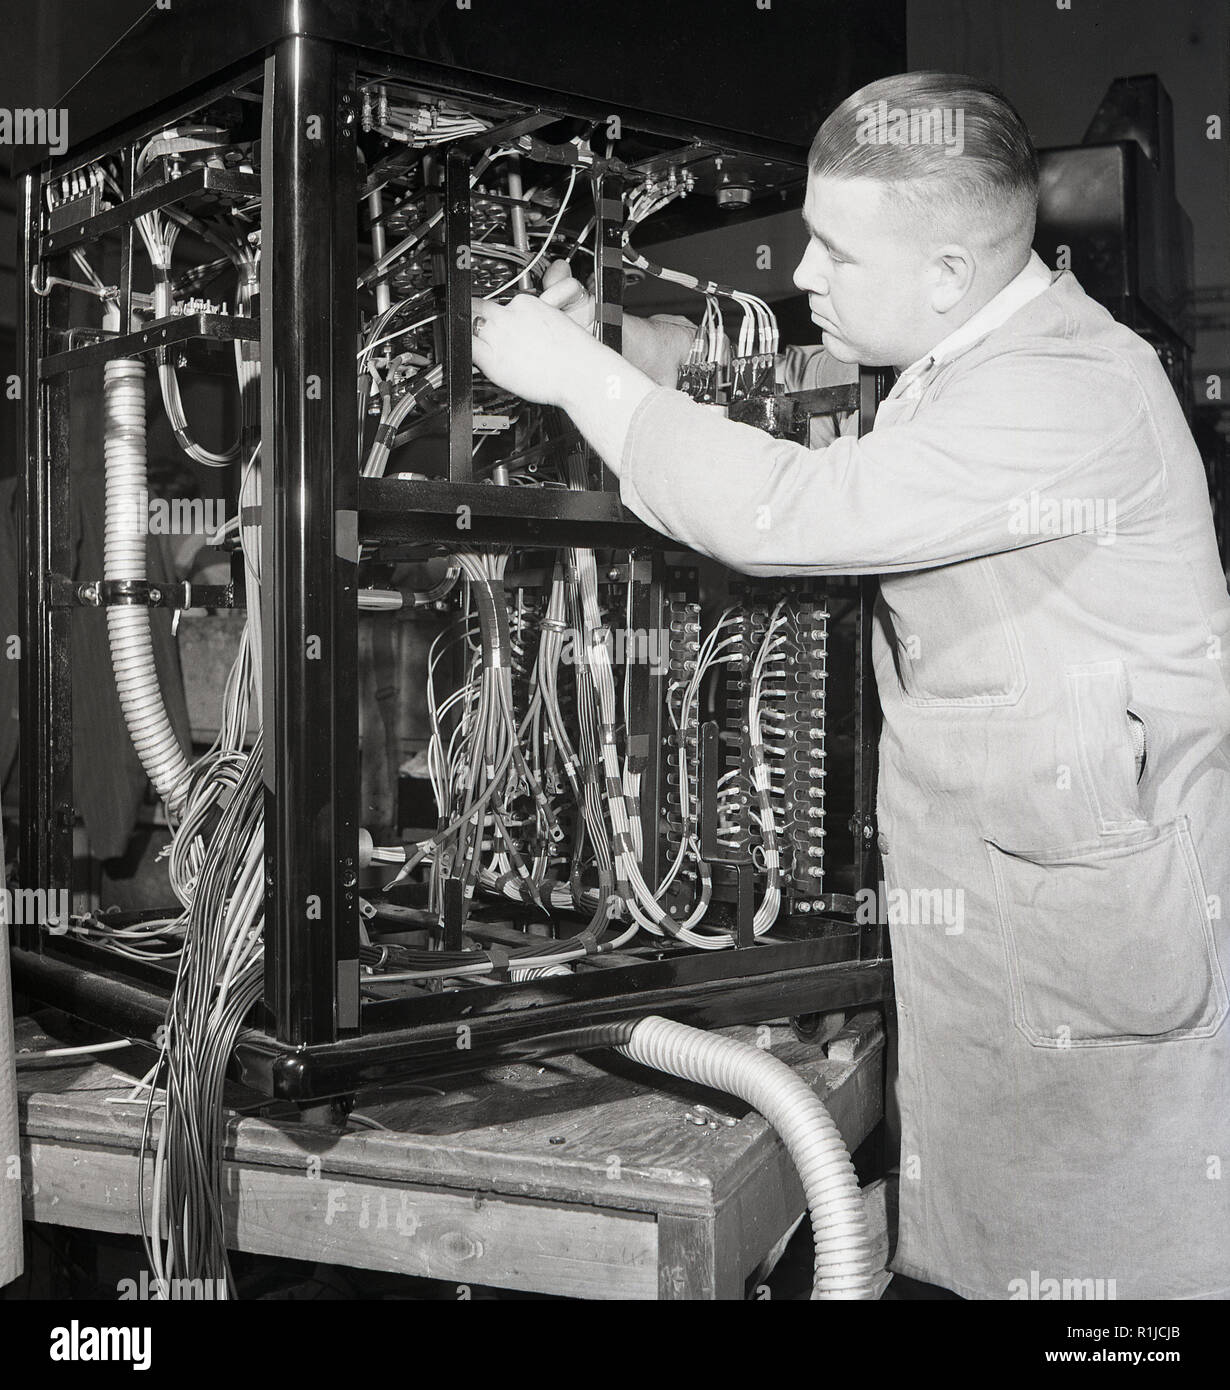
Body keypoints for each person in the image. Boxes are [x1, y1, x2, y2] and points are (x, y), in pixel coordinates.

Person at [470, 71, 1230, 1300]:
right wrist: (614, 343)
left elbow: (792, 509)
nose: (803, 271)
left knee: (1105, 1267)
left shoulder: (1069, 386)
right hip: (1017, 914)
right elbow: (779, 390)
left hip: (1095, 951)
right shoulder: (965, 355)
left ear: (945, 272)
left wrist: (578, 381)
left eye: (834, 248)